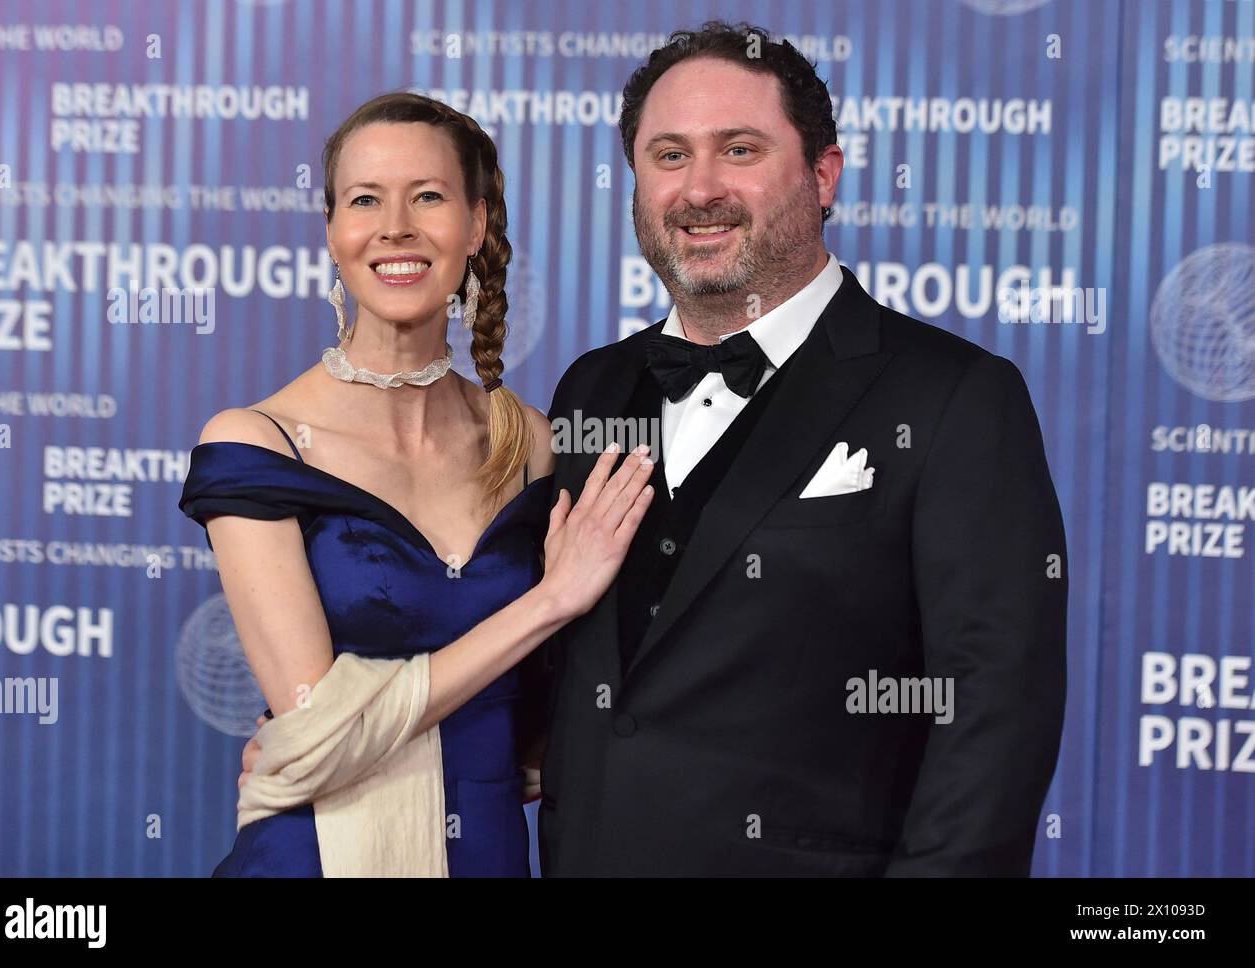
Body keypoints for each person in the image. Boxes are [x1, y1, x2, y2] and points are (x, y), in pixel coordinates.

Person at [538, 22, 1068, 876]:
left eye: (739, 149)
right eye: (668, 155)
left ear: (823, 175)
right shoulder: (590, 391)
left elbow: (992, 720)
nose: (698, 188)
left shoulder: (954, 397)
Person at [179, 92, 653, 877]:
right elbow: (319, 731)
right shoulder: (255, 444)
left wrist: (442, 743)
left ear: (475, 226)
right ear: (334, 233)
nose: (395, 225)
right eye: (366, 199)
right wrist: (549, 601)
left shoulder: (527, 442)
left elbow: (544, 714)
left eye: (427, 196)